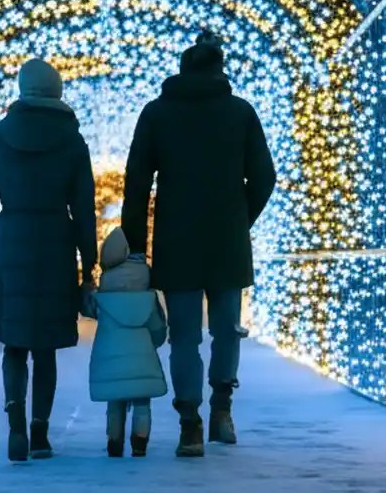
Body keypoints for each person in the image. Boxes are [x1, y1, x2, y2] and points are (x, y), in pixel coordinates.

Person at [121, 30, 276, 457]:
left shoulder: (156, 114)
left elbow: (137, 184)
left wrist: (136, 242)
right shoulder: (240, 112)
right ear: (218, 70)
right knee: (227, 329)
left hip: (177, 240)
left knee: (184, 335)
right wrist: (240, 219)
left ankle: (189, 423)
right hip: (227, 240)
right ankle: (222, 409)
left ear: (182, 70)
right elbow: (264, 177)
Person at [0, 58, 98, 462]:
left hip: (8, 242)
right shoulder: (72, 141)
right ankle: (41, 433)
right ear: (57, 89)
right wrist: (88, 262)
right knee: (45, 349)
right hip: (56, 246)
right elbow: (83, 208)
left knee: (15, 345)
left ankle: (15, 427)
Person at [88, 227, 168, 458]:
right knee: (142, 403)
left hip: (111, 359)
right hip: (143, 358)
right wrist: (155, 342)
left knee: (115, 403)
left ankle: (114, 442)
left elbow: (88, 310)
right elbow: (158, 328)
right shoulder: (147, 295)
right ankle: (140, 444)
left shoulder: (103, 294)